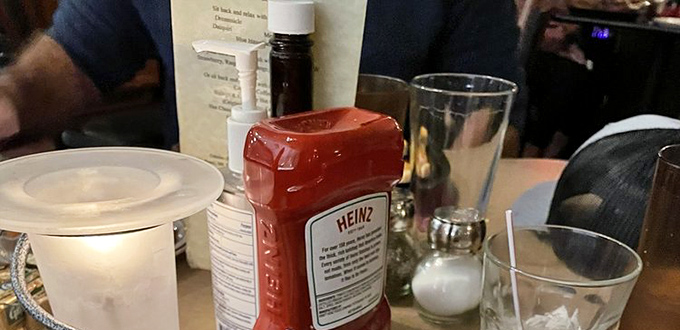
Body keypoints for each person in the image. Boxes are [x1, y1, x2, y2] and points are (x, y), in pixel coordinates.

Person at [0, 0, 525, 152]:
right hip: (206, 239)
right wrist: (12, 97)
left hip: (380, 241)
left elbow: (487, 110)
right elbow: (75, 56)